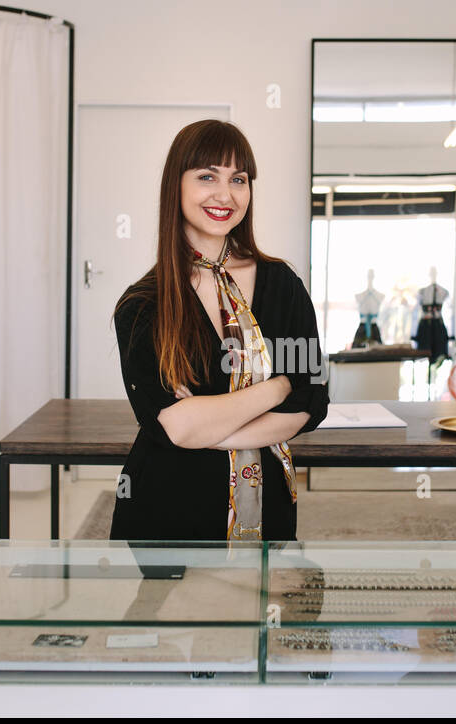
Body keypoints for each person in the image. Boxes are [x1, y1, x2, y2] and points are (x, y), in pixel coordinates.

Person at [110, 120, 329, 542]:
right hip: (169, 508)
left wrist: (211, 429)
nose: (225, 194)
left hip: (271, 506)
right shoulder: (141, 306)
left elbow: (312, 401)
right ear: (176, 185)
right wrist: (277, 387)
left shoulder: (282, 285)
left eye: (238, 179)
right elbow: (178, 428)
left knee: (262, 606)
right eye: (207, 176)